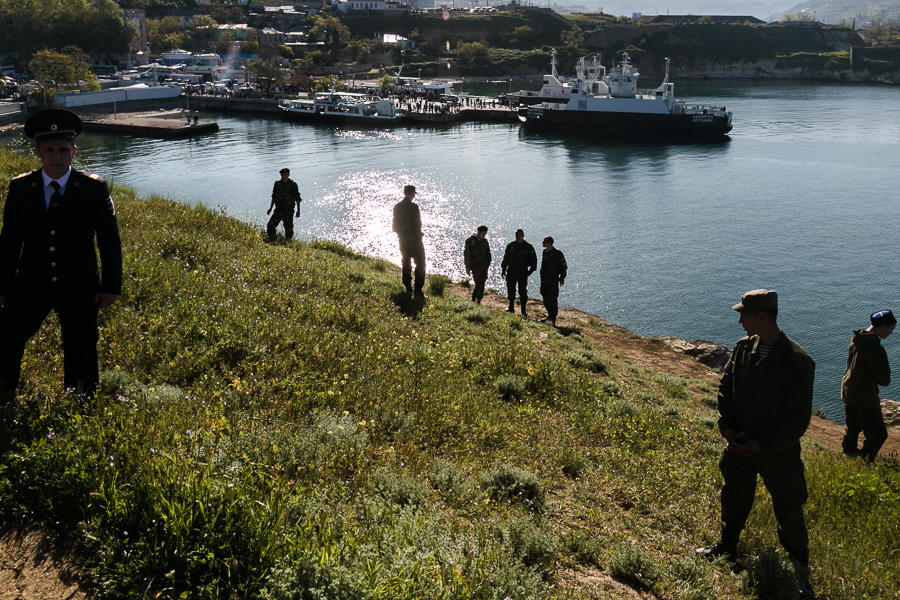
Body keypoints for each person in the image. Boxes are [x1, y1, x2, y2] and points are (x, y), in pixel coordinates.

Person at [697, 289, 815, 598]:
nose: (739, 321)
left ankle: (799, 573)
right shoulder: (742, 349)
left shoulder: (798, 362)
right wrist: (727, 429)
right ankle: (727, 549)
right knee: (733, 498)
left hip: (778, 455)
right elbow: (726, 389)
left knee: (789, 511)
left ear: (761, 317)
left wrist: (761, 446)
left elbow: (797, 421)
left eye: (743, 315)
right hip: (739, 447)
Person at [0, 108, 122, 400]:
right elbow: (9, 240)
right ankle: (3, 393)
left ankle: (80, 401)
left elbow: (109, 240)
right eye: (50, 150)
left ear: (74, 151)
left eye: (63, 150)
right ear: (38, 152)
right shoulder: (20, 188)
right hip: (31, 280)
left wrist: (111, 286)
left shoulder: (93, 188)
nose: (57, 156)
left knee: (80, 345)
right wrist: (2, 286)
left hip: (79, 282)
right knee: (6, 337)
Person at [840, 309, 895, 462]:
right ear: (883, 327)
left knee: (852, 429)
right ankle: (864, 461)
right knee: (879, 435)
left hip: (848, 390)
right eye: (891, 329)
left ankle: (848, 457)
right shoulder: (874, 348)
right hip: (864, 397)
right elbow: (884, 379)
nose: (891, 333)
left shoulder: (857, 337)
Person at [392, 185, 425, 295]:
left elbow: (394, 225)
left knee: (406, 262)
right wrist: (419, 236)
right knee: (420, 263)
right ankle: (418, 289)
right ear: (412, 194)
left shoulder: (397, 207)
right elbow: (417, 224)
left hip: (402, 239)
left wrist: (401, 234)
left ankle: (407, 286)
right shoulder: (414, 207)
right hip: (414, 239)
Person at [500, 229, 536, 318]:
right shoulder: (511, 246)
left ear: (523, 235)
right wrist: (503, 269)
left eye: (520, 235)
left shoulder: (528, 247)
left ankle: (523, 310)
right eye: (517, 235)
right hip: (511, 271)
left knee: (522, 291)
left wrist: (530, 272)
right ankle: (511, 307)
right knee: (511, 289)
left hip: (522, 272)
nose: (518, 236)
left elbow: (533, 261)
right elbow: (506, 259)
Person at [266, 168, 302, 242]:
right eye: (283, 175)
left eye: (286, 175)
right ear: (281, 175)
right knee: (270, 225)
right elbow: (274, 196)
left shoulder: (293, 185)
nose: (284, 177)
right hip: (278, 210)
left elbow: (297, 198)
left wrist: (298, 210)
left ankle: (288, 243)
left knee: (288, 229)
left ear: (288, 175)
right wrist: (270, 208)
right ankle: (272, 240)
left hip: (288, 211)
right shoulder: (277, 184)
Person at [539, 236, 567, 324]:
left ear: (549, 243)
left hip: (553, 279)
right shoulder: (545, 252)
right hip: (545, 279)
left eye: (544, 241)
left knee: (553, 298)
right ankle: (549, 315)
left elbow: (563, 266)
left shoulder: (558, 254)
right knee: (544, 295)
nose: (543, 243)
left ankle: (553, 317)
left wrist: (562, 278)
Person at [464, 225, 491, 303]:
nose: (484, 236)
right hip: (475, 265)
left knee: (482, 283)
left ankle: (479, 299)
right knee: (478, 283)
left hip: (483, 266)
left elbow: (488, 254)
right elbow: (467, 254)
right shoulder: (470, 241)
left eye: (485, 234)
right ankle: (473, 298)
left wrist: (487, 264)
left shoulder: (485, 242)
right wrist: (468, 267)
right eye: (483, 234)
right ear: (478, 232)